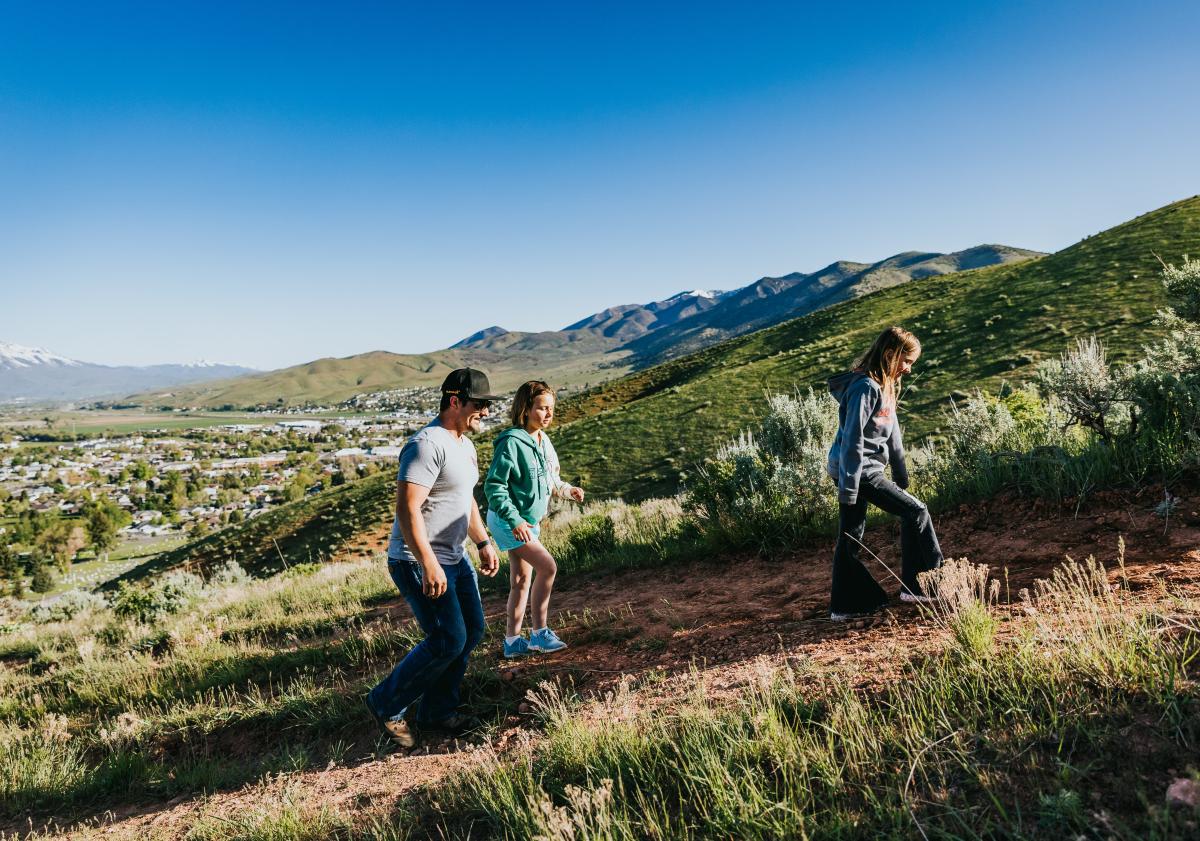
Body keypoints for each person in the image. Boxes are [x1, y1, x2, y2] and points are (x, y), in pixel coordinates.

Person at [365, 368, 501, 747]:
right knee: (447, 638)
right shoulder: (426, 445)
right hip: (416, 560)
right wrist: (428, 562)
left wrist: (483, 541)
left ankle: (437, 710)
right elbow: (408, 509)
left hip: (455, 558)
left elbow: (465, 499)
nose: (486, 412)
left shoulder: (465, 445)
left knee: (471, 632)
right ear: (455, 401)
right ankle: (385, 702)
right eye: (480, 404)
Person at [826, 326, 943, 621]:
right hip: (857, 470)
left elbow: (893, 434)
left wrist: (901, 476)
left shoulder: (885, 385)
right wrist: (849, 488)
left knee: (852, 535)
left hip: (861, 468)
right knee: (916, 512)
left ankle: (847, 606)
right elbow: (853, 439)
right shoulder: (865, 387)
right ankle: (925, 586)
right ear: (890, 354)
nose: (909, 368)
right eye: (907, 361)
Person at [484, 380, 585, 658]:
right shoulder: (511, 442)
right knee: (548, 567)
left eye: (551, 408)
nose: (548, 414)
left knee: (521, 579)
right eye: (542, 408)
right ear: (526, 409)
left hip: (528, 521)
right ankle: (540, 634)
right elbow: (494, 487)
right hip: (508, 521)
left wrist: (568, 490)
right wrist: (515, 520)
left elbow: (551, 479)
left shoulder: (543, 440)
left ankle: (512, 642)